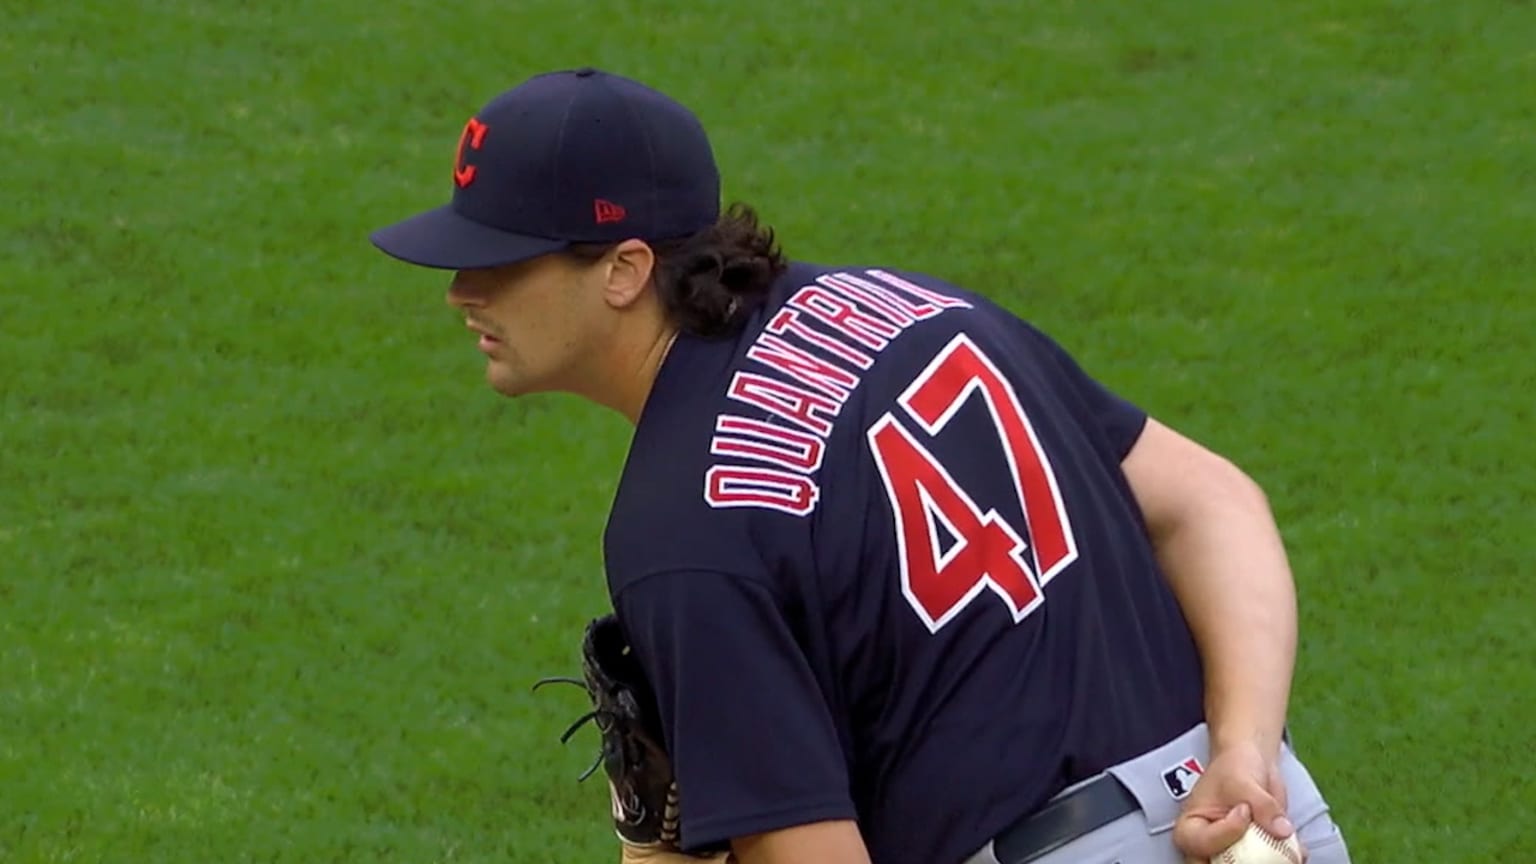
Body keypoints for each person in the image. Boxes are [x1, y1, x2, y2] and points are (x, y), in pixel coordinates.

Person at [368, 67, 1351, 864]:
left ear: (623, 271)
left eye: (501, 263)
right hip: (1257, 829)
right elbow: (1210, 497)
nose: (461, 291)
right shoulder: (908, 307)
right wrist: (1245, 753)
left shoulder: (681, 532)